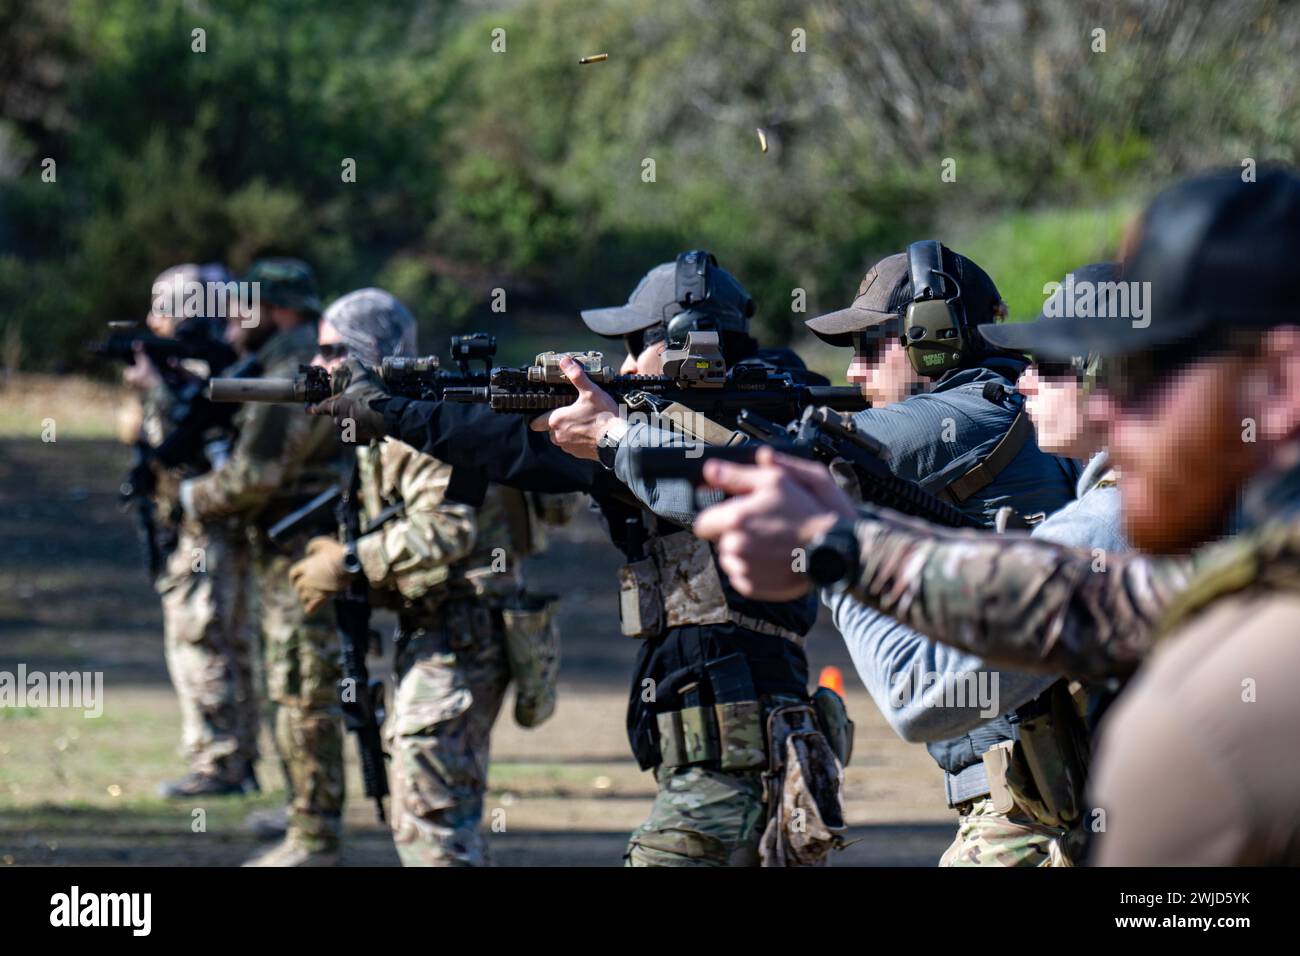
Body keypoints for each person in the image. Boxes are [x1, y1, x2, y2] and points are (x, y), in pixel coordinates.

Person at [694, 166, 1300, 865]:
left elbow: (940, 681)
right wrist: (846, 542)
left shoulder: (1209, 734)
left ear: (1281, 384)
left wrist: (829, 542)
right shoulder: (1226, 577)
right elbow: (1085, 598)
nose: (1108, 410)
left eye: (1143, 376)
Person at [316, 253, 852, 866]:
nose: (622, 365)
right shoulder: (755, 420)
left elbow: (505, 445)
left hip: (731, 758)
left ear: (684, 342)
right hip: (744, 750)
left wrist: (389, 412)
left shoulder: (714, 432)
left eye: (633, 345)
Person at [695, 243, 1084, 865]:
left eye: (871, 347)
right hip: (1053, 786)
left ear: (935, 341)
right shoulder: (1032, 408)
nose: (854, 372)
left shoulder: (959, 416)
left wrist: (618, 434)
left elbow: (758, 485)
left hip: (1027, 806)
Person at [289, 287, 564, 865]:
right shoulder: (394, 421)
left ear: (364, 354)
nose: (317, 365)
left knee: (434, 826)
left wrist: (350, 562)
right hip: (443, 631)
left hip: (462, 634)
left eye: (331, 350)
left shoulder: (417, 423)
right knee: (427, 816)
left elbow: (447, 530)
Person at [178, 257, 346, 866]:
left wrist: (193, 496)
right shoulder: (301, 354)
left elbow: (258, 471)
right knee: (296, 684)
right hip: (300, 545)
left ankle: (314, 834)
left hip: (300, 551)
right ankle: (304, 808)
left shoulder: (288, 367)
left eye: (245, 307)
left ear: (276, 308)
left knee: (303, 687)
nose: (232, 319)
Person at [121, 263, 260, 799]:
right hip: (214, 527)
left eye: (162, 307)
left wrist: (154, 391)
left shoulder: (203, 374)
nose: (152, 320)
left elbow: (182, 444)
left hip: (204, 527)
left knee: (202, 643)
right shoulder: (223, 366)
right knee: (230, 643)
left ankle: (220, 763)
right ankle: (237, 759)